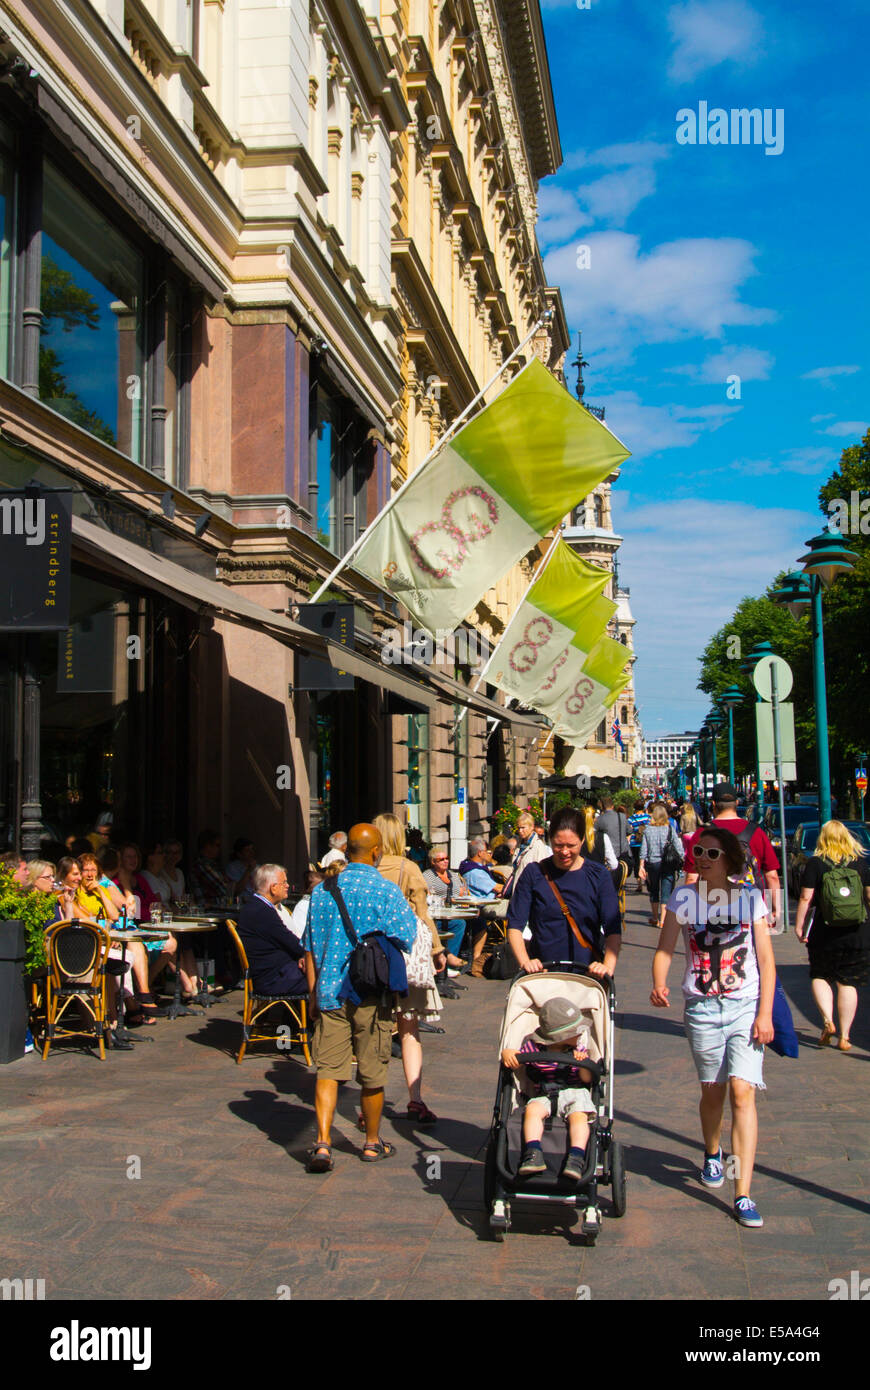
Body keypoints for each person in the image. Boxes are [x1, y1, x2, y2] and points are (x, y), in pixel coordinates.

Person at [652, 824, 775, 1228]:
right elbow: (665, 947)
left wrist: (765, 1013)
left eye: (710, 854)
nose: (701, 859)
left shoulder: (751, 899)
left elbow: (766, 961)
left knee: (743, 1093)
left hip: (744, 1004)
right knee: (713, 1091)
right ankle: (711, 1151)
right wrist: (659, 983)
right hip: (702, 1006)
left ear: (729, 860)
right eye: (698, 853)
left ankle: (743, 1193)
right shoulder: (684, 897)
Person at [303, 822, 417, 1170]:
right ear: (376, 851)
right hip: (370, 992)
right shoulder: (385, 890)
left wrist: (312, 992)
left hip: (330, 991)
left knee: (328, 1069)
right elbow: (407, 936)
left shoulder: (323, 891)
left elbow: (309, 945)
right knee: (372, 1070)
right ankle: (370, 1143)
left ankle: (322, 1143)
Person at [373, 812, 444, 1125]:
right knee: (409, 1029)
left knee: (372, 1030)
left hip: (371, 959)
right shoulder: (409, 868)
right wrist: (438, 950)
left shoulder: (363, 868)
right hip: (405, 958)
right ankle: (415, 1100)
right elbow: (422, 914)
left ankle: (369, 1101)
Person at [507, 806, 621, 978]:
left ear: (582, 840)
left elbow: (613, 928)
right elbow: (515, 925)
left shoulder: (598, 875)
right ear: (550, 840)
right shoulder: (534, 873)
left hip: (587, 975)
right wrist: (525, 962)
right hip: (543, 973)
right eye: (558, 845)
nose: (565, 852)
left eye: (571, 845)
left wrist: (607, 967)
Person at [502, 997, 597, 1182]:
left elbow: (587, 1079)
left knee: (579, 1117)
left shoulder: (578, 1050)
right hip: (544, 1093)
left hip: (574, 1092)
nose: (580, 1034)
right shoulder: (533, 1048)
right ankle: (533, 1152)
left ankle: (576, 1157)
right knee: (531, 1111)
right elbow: (515, 1056)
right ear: (562, 1035)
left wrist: (583, 1063)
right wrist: (508, 1053)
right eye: (576, 1031)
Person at [794, 820, 870, 1051]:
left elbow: (806, 898)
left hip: (824, 931)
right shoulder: (860, 863)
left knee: (821, 975)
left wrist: (799, 925)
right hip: (857, 931)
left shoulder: (816, 864)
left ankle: (828, 1021)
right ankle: (845, 1036)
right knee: (848, 982)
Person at [683, 784, 780, 927]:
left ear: (713, 804)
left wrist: (691, 909)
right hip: (751, 907)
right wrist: (774, 909)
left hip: (711, 907)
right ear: (737, 803)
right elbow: (772, 877)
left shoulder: (702, 835)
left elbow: (692, 877)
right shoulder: (756, 832)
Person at [237, 864, 306, 997]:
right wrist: (306, 955)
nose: (287, 885)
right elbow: (291, 943)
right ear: (273, 888)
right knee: (325, 974)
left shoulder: (257, 906)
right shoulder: (261, 911)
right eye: (284, 882)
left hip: (274, 973)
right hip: (273, 979)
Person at [462, 838, 505, 978]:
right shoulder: (475, 872)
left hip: (487, 900)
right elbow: (497, 888)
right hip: (483, 904)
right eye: (487, 851)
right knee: (515, 908)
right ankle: (477, 958)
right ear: (480, 853)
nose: (490, 854)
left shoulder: (470, 866)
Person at [423, 848, 470, 970]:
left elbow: (462, 892)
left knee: (473, 922)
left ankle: (461, 957)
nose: (445, 861)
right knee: (459, 924)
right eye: (441, 859)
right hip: (436, 915)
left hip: (454, 912)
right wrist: (444, 900)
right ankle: (448, 961)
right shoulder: (427, 876)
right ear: (433, 862)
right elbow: (426, 895)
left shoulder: (453, 875)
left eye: (446, 858)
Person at [639, 802, 684, 929]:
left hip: (652, 863)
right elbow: (678, 846)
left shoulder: (648, 830)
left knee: (653, 891)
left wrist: (641, 865)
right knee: (666, 893)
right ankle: (663, 920)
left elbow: (644, 849)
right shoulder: (669, 828)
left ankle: (654, 917)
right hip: (668, 864)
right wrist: (681, 859)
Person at [505, 812, 550, 898]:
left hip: (529, 893)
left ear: (532, 827)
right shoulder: (519, 845)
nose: (520, 831)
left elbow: (543, 874)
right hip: (518, 892)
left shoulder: (538, 846)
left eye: (523, 828)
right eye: (518, 828)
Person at [288, 869, 324, 940]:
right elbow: (299, 933)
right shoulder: (303, 905)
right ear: (310, 889)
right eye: (319, 888)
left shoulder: (320, 903)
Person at [580, 805, 618, 869]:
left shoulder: (575, 837)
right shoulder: (603, 837)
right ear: (595, 819)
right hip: (597, 875)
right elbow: (614, 864)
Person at [627, 800, 650, 882]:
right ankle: (647, 877)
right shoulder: (647, 817)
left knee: (636, 862)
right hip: (646, 842)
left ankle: (639, 882)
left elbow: (629, 831)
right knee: (646, 861)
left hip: (635, 843)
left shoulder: (631, 818)